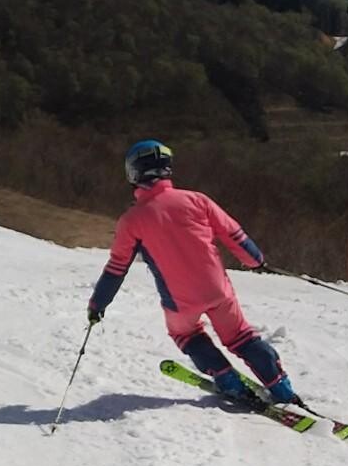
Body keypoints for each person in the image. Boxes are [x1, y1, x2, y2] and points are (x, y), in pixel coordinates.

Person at [86, 140, 301, 407]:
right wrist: (256, 261)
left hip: (179, 302)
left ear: (133, 173)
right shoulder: (197, 200)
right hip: (218, 290)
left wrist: (98, 306)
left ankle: (228, 380)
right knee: (241, 337)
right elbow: (235, 235)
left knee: (186, 335)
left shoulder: (131, 220)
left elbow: (117, 269)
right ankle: (281, 387)